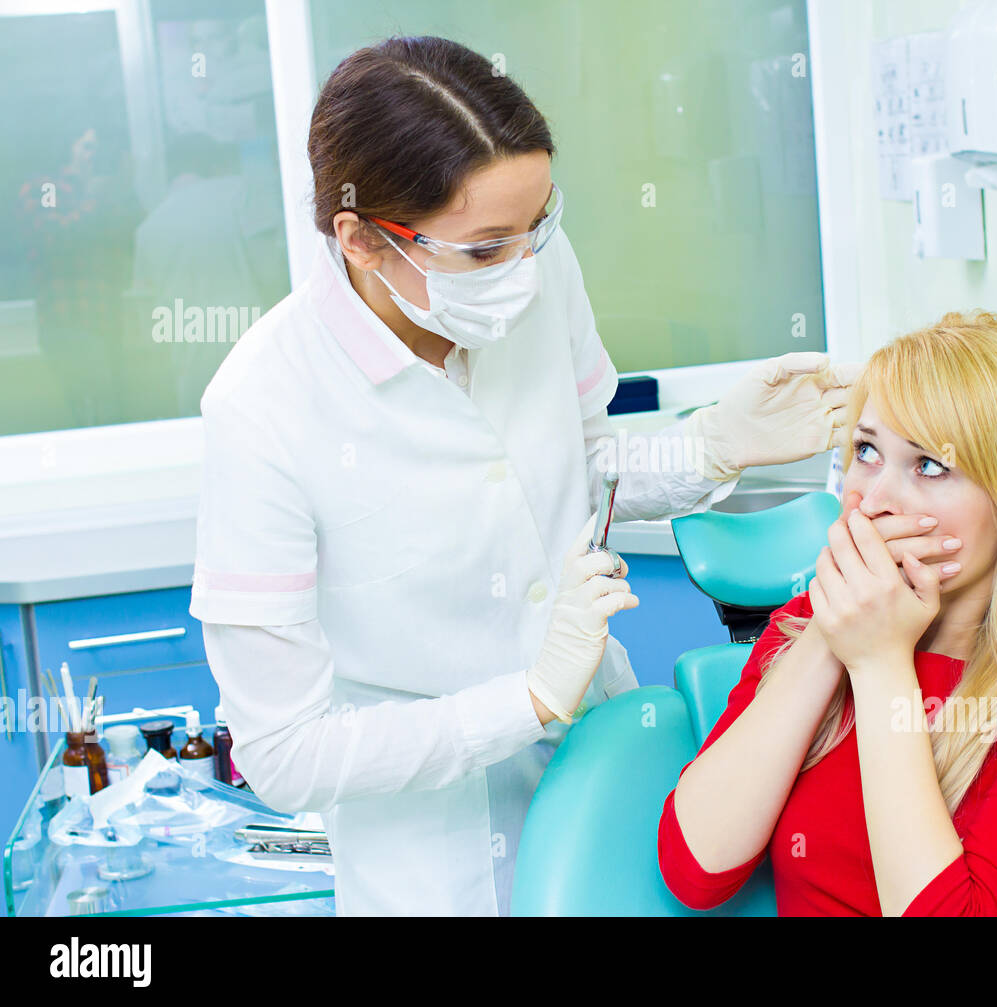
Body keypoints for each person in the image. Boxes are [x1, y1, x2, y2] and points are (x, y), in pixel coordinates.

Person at [187, 36, 854, 916]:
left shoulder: (533, 270)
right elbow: (284, 755)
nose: (526, 268)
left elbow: (575, 473)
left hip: (612, 773)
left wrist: (709, 445)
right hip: (436, 858)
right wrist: (526, 699)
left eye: (540, 225)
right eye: (485, 248)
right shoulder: (262, 408)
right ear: (360, 239)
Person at [659, 310, 997, 916]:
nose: (872, 500)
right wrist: (827, 638)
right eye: (867, 451)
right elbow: (696, 871)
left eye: (928, 466)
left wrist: (878, 666)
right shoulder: (806, 625)